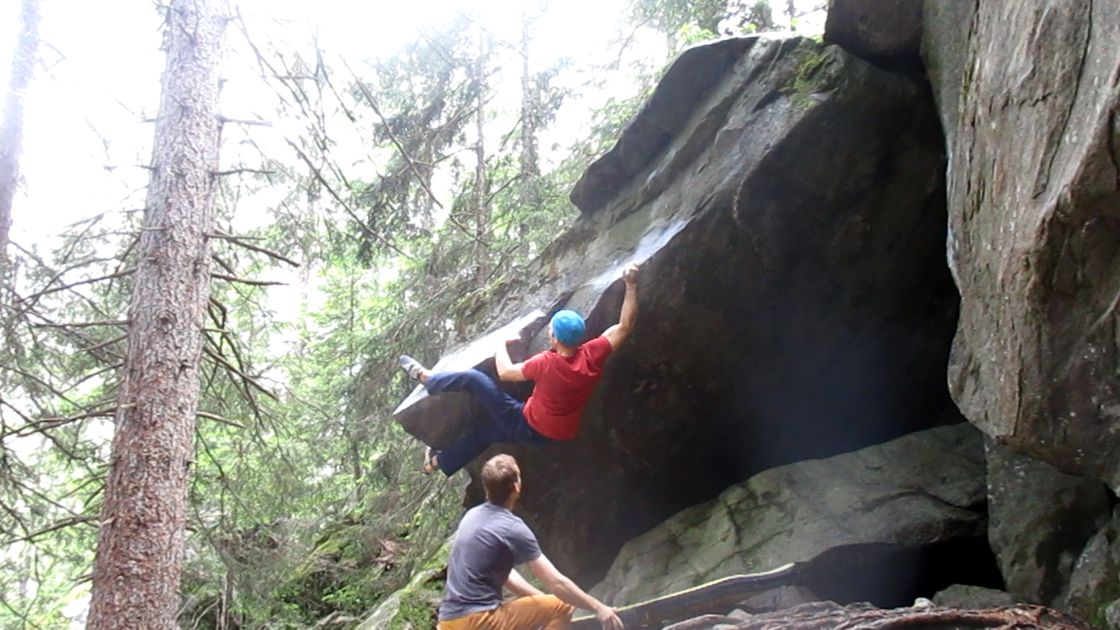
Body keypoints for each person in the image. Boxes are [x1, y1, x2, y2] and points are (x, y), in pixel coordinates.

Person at [399, 262, 639, 476]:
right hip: (553, 433)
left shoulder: (547, 363)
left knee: (474, 380)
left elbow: (505, 372)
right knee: (485, 433)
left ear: (554, 338)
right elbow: (625, 326)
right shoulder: (592, 355)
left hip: (527, 425)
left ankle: (428, 379)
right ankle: (436, 463)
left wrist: (500, 345)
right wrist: (631, 284)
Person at [437, 454, 625, 630]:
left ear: (487, 487)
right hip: (477, 622)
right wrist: (599, 608)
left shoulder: (472, 516)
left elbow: (504, 573)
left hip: (448, 622)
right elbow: (557, 583)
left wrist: (539, 600)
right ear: (516, 487)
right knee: (562, 606)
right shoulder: (512, 528)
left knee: (546, 605)